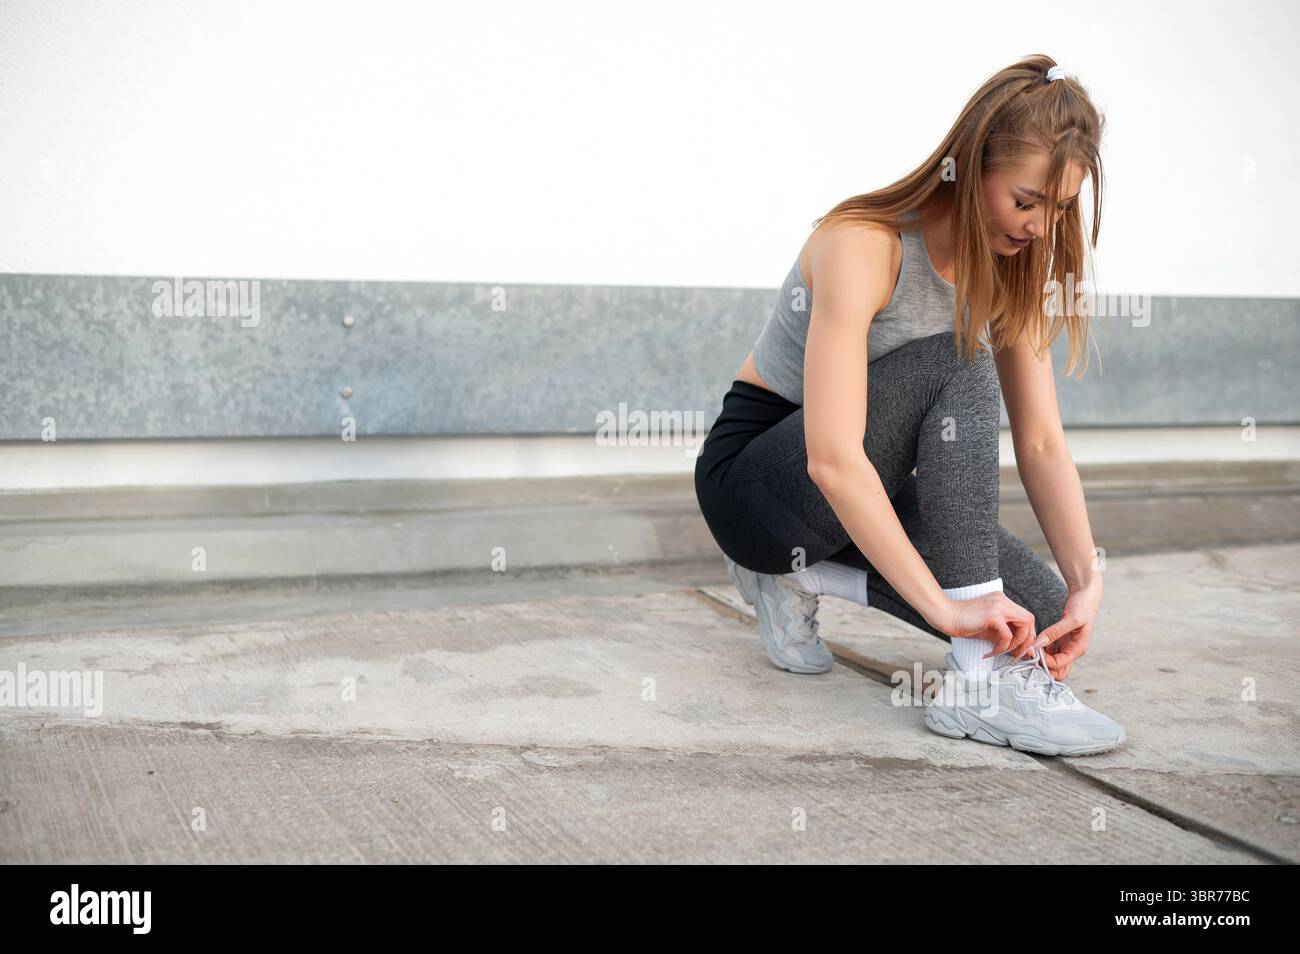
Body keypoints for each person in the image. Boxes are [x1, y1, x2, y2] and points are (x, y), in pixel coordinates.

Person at [693, 55, 1125, 757]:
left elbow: (1041, 441)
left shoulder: (1012, 272)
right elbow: (832, 459)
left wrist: (1086, 580)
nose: (1042, 228)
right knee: (960, 359)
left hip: (869, 485)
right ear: (971, 164)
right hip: (760, 484)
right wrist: (947, 612)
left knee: (1037, 616)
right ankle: (977, 684)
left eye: (1060, 208)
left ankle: (801, 574)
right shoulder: (864, 243)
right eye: (1026, 201)